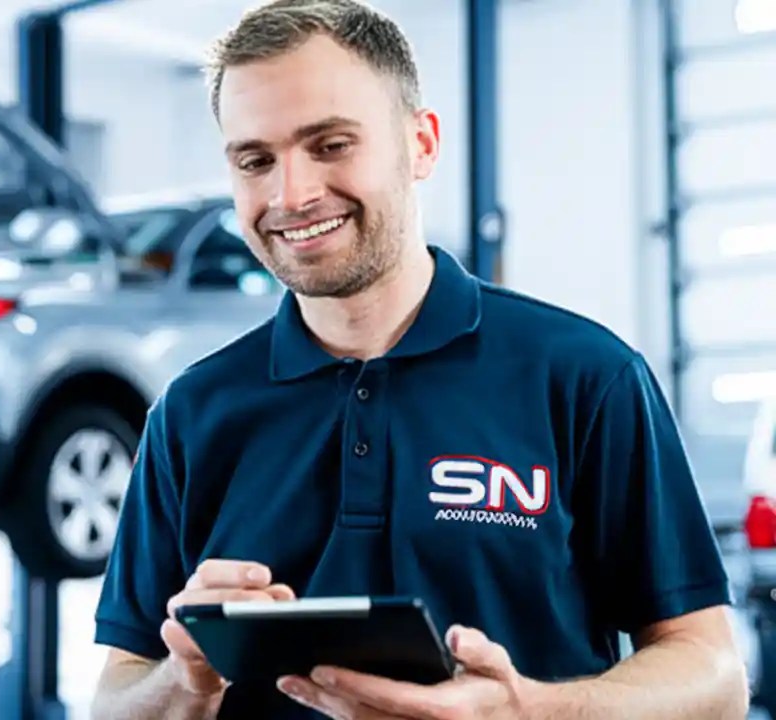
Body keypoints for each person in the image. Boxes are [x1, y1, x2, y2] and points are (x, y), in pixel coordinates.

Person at [91, 1, 748, 718]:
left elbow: (714, 676)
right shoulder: (192, 412)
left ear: (422, 144)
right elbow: (117, 699)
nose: (292, 194)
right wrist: (184, 679)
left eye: (332, 144)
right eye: (255, 160)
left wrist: (533, 710)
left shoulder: (585, 376)